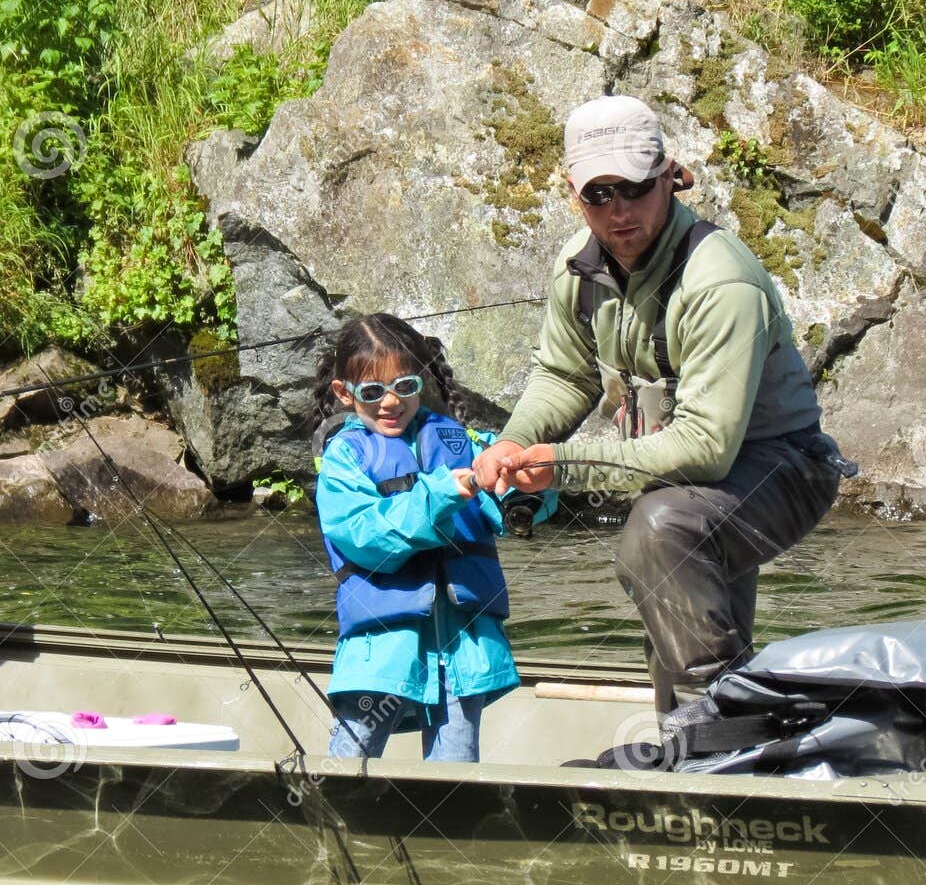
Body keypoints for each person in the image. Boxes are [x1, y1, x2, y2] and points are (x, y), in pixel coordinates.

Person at [474, 95, 847, 714]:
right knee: (671, 567)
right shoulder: (579, 269)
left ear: (670, 176)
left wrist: (561, 466)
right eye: (599, 194)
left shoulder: (720, 279)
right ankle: (696, 739)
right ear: (574, 191)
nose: (618, 211)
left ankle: (725, 720)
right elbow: (565, 378)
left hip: (785, 468)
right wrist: (513, 444)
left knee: (660, 530)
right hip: (680, 476)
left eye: (635, 188)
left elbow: (705, 446)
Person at [314, 313, 551, 761]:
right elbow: (367, 535)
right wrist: (441, 493)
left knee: (455, 778)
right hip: (381, 652)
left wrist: (531, 486)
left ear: (422, 382)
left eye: (405, 387)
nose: (390, 402)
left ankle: (444, 831)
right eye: (372, 392)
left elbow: (513, 504)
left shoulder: (460, 441)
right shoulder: (344, 460)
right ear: (345, 394)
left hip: (465, 649)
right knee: (351, 760)